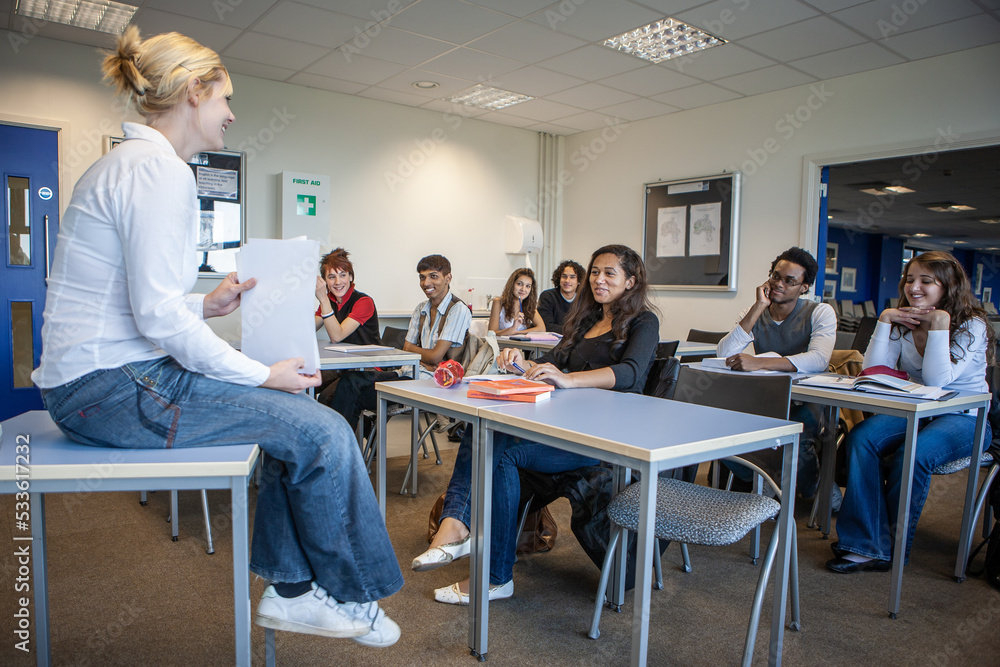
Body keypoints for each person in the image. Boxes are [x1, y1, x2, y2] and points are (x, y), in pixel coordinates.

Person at [30, 29, 401, 646]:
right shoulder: (159, 172)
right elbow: (157, 320)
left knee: (294, 421)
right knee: (325, 428)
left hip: (94, 385)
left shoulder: (124, 165)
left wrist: (208, 303)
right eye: (225, 99)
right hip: (112, 389)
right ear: (194, 92)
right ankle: (342, 593)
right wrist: (261, 374)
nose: (230, 114)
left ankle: (292, 593)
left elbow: (139, 304)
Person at [410, 244, 659, 604]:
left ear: (631, 281)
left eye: (609, 273)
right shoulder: (586, 319)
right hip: (563, 428)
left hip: (600, 440)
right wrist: (521, 361)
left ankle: (493, 576)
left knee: (505, 453)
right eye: (595, 272)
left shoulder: (644, 322)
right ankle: (456, 526)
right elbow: (553, 362)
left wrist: (569, 379)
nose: (598, 279)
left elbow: (631, 373)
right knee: (484, 431)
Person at [827, 251, 994, 573]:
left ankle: (888, 545)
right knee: (862, 438)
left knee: (913, 454)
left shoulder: (972, 325)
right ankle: (865, 543)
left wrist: (940, 325)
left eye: (926, 281)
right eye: (910, 279)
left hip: (964, 417)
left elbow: (937, 381)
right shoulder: (904, 320)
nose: (913, 288)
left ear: (948, 286)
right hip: (918, 410)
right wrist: (885, 320)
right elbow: (874, 370)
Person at [716, 246, 837, 499]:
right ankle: (763, 475)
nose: (779, 284)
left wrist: (759, 363)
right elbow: (723, 352)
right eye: (775, 276)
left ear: (804, 287)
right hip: (769, 396)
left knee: (797, 435)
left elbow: (818, 359)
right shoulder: (756, 311)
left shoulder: (820, 312)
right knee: (719, 427)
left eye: (789, 281)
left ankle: (814, 488)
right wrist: (759, 306)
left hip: (811, 398)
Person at [329, 253, 471, 430]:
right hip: (407, 373)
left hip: (431, 384)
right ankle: (349, 444)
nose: (426, 283)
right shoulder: (421, 309)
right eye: (422, 277)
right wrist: (422, 356)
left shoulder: (458, 310)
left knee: (350, 394)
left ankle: (344, 449)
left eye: (433, 276)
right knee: (349, 381)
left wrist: (418, 353)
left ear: (448, 278)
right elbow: (406, 350)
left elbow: (436, 356)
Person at [313, 248, 380, 405]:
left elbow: (337, 336)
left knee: (326, 397)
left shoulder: (363, 301)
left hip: (367, 369)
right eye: (331, 277)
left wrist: (323, 300)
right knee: (304, 381)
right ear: (324, 281)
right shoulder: (330, 300)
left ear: (351, 277)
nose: (337, 282)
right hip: (344, 367)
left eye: (343, 275)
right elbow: (307, 328)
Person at [488, 267, 545, 336]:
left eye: (528, 286)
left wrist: (517, 332)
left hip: (521, 346)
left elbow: (542, 329)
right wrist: (512, 328)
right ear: (512, 284)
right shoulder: (498, 302)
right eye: (519, 284)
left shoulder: (528, 305)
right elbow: (491, 333)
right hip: (503, 345)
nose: (523, 289)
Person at [538, 259, 585, 334]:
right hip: (551, 342)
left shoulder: (583, 300)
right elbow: (546, 326)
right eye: (564, 276)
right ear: (559, 278)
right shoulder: (548, 296)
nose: (567, 280)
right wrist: (574, 331)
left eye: (572, 277)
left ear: (579, 281)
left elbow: (587, 327)